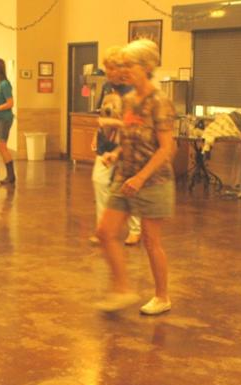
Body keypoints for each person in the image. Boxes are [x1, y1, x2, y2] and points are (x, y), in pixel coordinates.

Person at [94, 39, 175, 315]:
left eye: (131, 65)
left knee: (152, 242)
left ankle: (162, 296)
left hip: (153, 181)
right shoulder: (129, 100)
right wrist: (115, 153)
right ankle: (122, 288)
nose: (125, 70)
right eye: (124, 64)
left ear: (148, 67)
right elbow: (132, 136)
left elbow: (166, 148)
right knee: (105, 232)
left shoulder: (159, 102)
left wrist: (140, 178)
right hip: (124, 176)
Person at [90, 46, 141, 246]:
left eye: (111, 68)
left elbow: (137, 125)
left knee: (127, 188)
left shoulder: (134, 90)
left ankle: (135, 229)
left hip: (127, 146)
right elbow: (104, 113)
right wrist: (97, 134)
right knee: (99, 182)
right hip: (105, 144)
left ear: (122, 69)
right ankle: (104, 229)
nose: (108, 72)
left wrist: (114, 124)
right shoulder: (106, 87)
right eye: (106, 68)